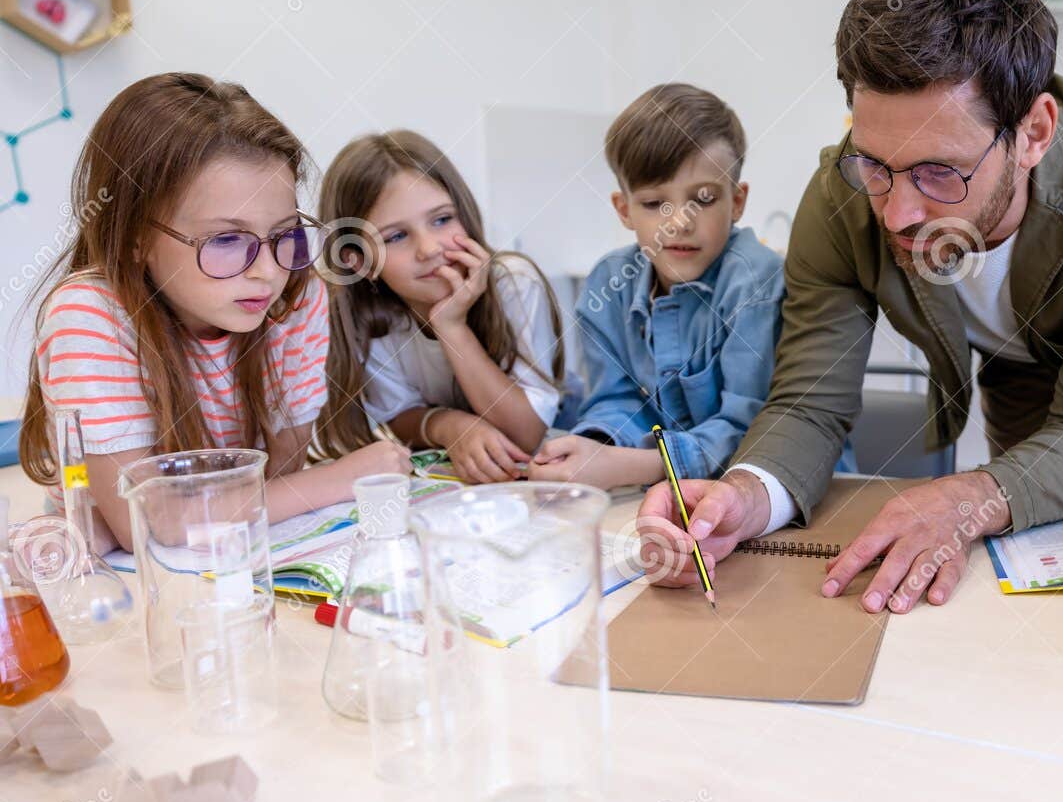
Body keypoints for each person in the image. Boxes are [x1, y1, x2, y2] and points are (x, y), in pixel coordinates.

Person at [637, 0, 1063, 614]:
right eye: (875, 165)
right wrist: (748, 495)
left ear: (1033, 133)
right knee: (1029, 603)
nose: (897, 213)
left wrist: (966, 496)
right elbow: (809, 399)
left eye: (939, 173)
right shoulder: (840, 196)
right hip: (1029, 388)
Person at [21, 72, 408, 551]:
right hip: (115, 575)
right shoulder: (91, 316)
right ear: (136, 237)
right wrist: (342, 477)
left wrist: (205, 511)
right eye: (226, 239)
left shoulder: (295, 294)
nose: (268, 271)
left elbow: (277, 480)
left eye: (286, 233)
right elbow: (149, 524)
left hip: (226, 557)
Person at [527, 83, 786, 490]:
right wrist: (595, 447)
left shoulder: (755, 280)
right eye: (653, 204)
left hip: (776, 499)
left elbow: (752, 431)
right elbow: (618, 400)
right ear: (624, 209)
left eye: (703, 199)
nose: (679, 222)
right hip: (670, 495)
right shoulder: (608, 284)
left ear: (736, 202)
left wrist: (634, 466)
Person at [315, 130, 565, 484]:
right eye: (396, 236)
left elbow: (526, 433)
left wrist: (452, 326)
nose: (429, 248)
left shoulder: (514, 282)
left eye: (442, 219)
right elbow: (398, 413)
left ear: (464, 214)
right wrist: (451, 427)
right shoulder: (366, 316)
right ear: (359, 260)